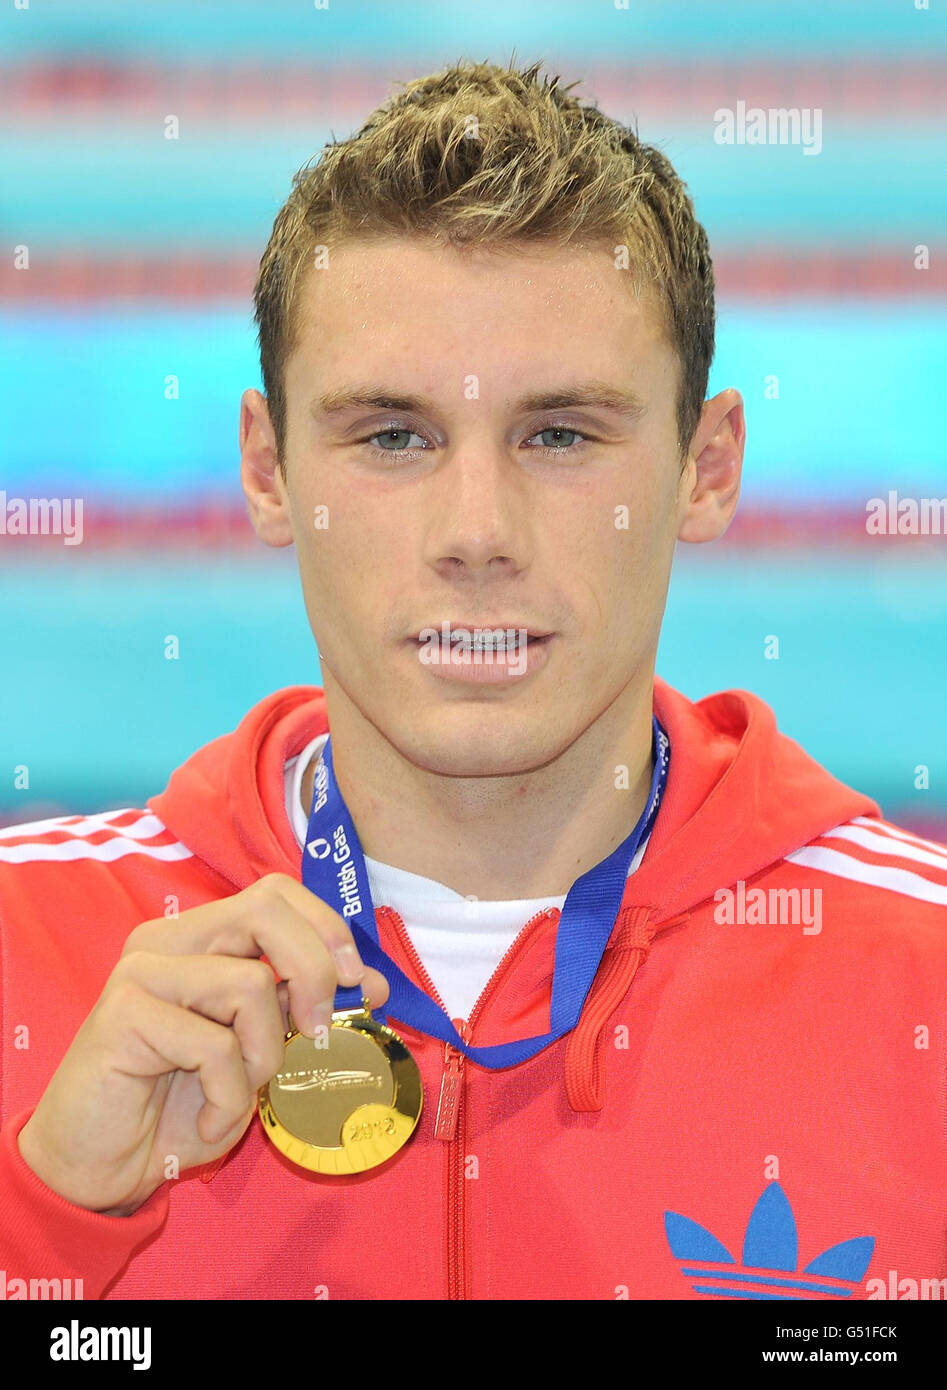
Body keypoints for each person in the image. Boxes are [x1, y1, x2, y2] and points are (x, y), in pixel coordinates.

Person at [1, 59, 944, 1303]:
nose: (475, 529)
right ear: (269, 471)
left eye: (559, 434)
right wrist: (46, 1222)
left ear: (705, 468)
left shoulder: (913, 976)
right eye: (391, 437)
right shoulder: (31, 954)